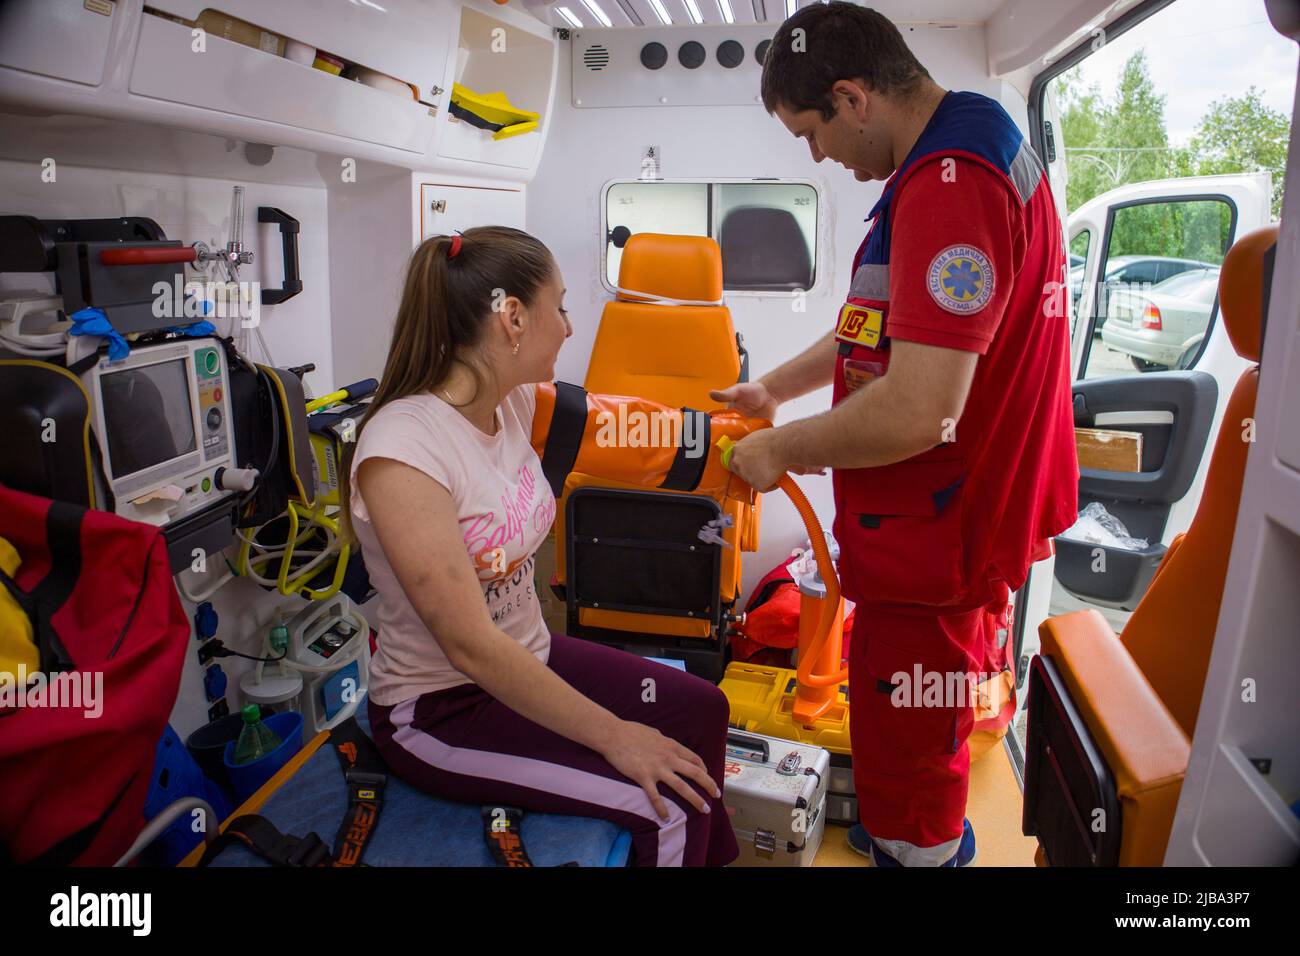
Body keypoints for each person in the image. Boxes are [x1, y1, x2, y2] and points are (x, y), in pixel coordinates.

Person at [715, 2, 1079, 866]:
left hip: (943, 540)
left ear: (853, 98)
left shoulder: (954, 186)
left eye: (812, 133)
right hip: (928, 540)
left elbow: (922, 409)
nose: (818, 158)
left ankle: (920, 855)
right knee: (908, 734)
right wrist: (774, 387)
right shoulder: (954, 154)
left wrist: (781, 449)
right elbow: (872, 327)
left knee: (914, 768)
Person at [341, 226, 739, 867]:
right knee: (662, 804)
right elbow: (469, 645)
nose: (571, 327)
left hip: (531, 657)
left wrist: (736, 438)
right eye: (560, 306)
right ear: (513, 318)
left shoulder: (515, 404)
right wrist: (617, 737)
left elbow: (632, 427)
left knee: (703, 708)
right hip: (441, 707)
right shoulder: (405, 451)